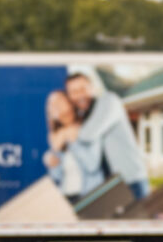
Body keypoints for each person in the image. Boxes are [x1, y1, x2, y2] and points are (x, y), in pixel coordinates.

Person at [52, 68, 150, 201]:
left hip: (131, 181)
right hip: (110, 186)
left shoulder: (109, 101)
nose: (79, 95)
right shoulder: (84, 116)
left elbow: (89, 134)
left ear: (92, 88)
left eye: (83, 89)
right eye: (74, 92)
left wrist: (65, 132)